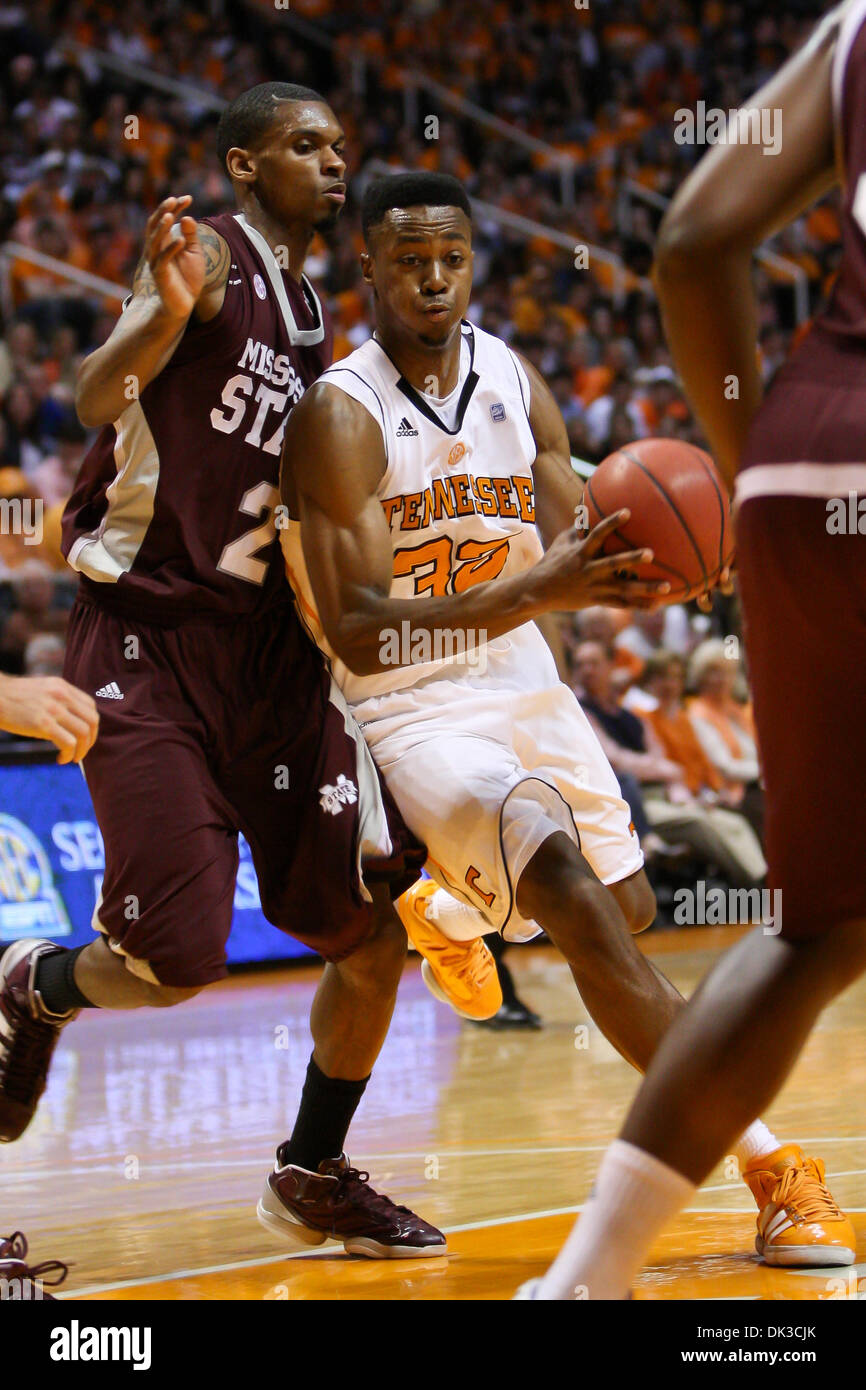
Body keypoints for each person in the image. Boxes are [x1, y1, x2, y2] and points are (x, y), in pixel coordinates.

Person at [280, 169, 849, 1266]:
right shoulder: (337, 416)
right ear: (366, 266)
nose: (432, 279)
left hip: (524, 677)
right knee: (582, 911)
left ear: (472, 263)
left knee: (629, 907)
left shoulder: (507, 373)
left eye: (450, 257)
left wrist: (670, 563)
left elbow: (574, 530)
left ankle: (446, 907)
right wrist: (539, 590)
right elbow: (358, 634)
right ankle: (772, 1173)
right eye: (407, 260)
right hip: (411, 707)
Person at [0, 83, 447, 1260]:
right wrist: (161, 317)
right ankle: (39, 980)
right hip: (146, 637)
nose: (335, 160)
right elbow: (102, 394)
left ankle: (313, 1166)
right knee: (172, 964)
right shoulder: (203, 249)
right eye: (306, 145)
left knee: (369, 935)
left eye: (343, 145)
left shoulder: (315, 310)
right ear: (244, 165)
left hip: (270, 654)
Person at [525, 0, 864, 1297]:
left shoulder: (850, 29)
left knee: (809, 925)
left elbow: (692, 242)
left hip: (803, 464)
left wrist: (749, 462)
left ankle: (585, 1280)